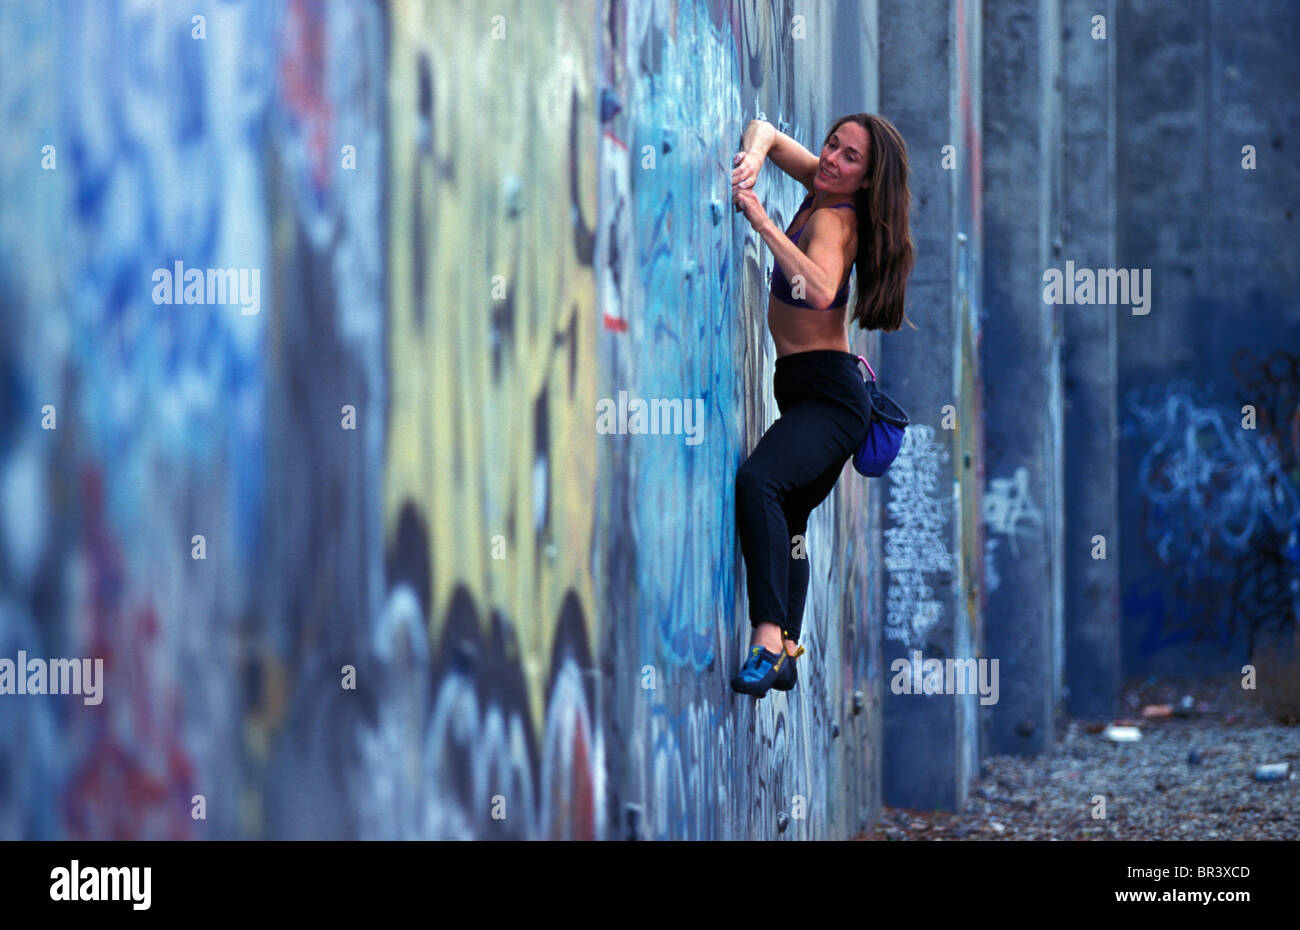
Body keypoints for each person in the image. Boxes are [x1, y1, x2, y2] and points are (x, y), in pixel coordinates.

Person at [728, 113, 915, 697]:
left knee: (760, 482)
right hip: (810, 388)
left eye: (849, 156)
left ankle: (766, 639)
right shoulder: (823, 184)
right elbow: (765, 128)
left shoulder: (834, 217)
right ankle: (785, 647)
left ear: (866, 179)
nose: (831, 158)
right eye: (832, 145)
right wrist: (755, 158)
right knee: (791, 523)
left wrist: (760, 218)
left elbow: (821, 289)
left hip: (830, 400)